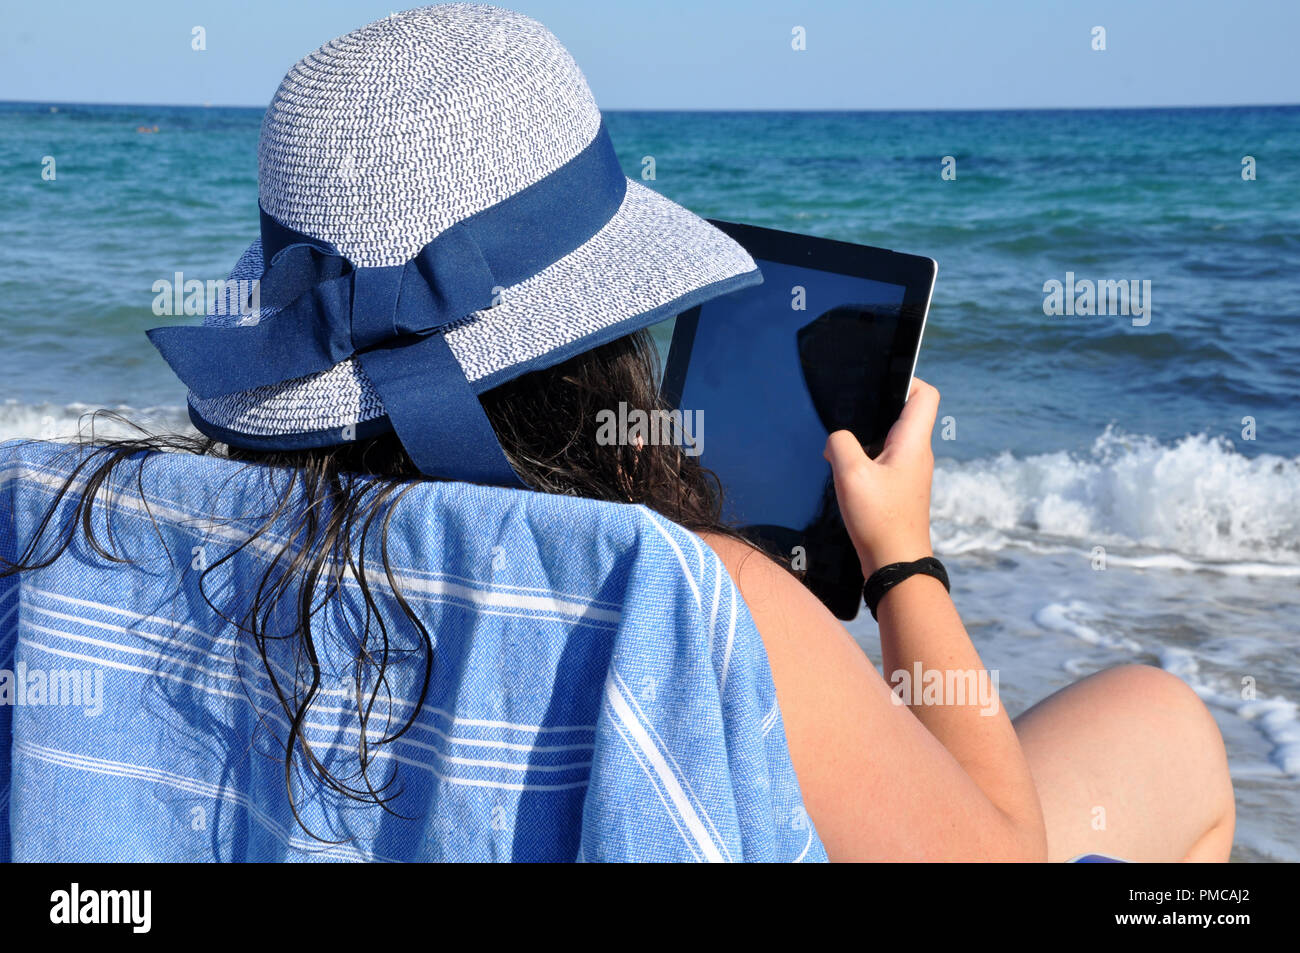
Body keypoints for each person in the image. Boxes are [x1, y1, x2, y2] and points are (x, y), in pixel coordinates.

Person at [1, 4, 1234, 861]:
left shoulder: (113, 541)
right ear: (602, 335)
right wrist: (903, 559)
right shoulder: (686, 596)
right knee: (1160, 720)